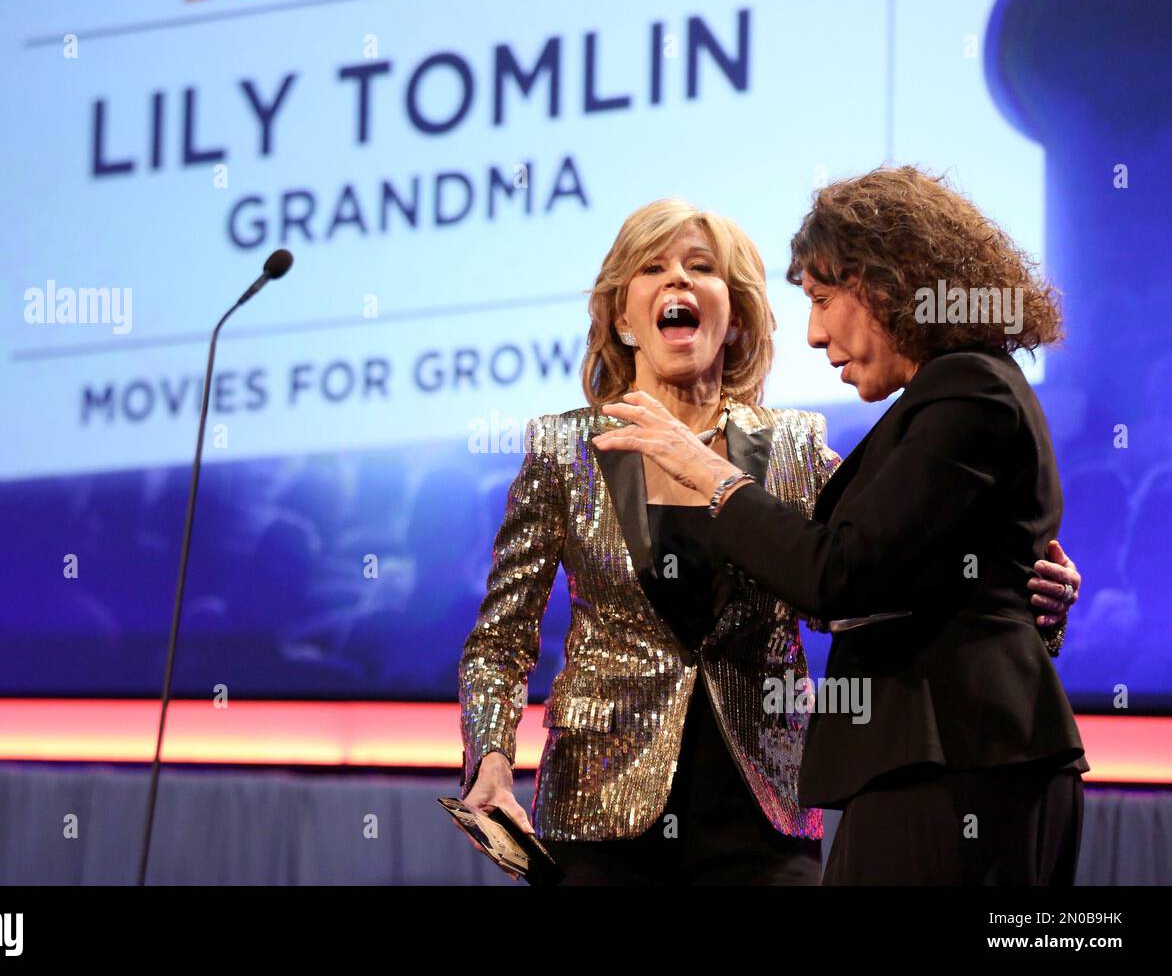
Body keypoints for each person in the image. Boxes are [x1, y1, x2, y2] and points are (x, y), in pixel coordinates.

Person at [461, 193, 1081, 885]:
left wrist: (1023, 592)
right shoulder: (562, 448)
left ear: (735, 318)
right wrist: (490, 756)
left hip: (762, 816)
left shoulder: (796, 445)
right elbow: (501, 636)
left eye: (701, 267)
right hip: (598, 810)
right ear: (621, 316)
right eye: (652, 268)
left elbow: (866, 570)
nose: (677, 282)